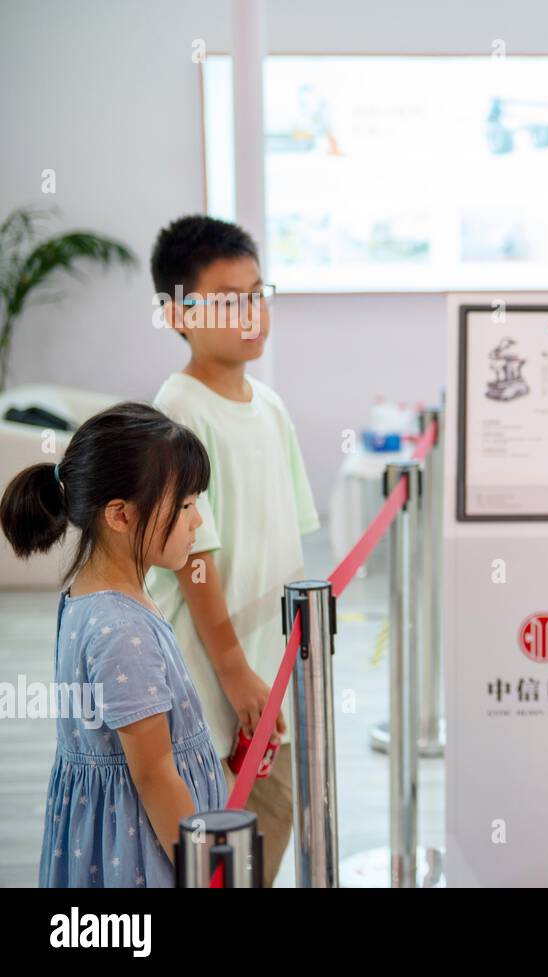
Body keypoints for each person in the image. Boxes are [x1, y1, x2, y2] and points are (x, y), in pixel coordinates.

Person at [147, 215, 319, 886]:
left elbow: (286, 544)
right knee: (216, 832)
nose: (249, 310)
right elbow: (196, 557)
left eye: (256, 291)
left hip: (270, 671)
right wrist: (233, 668)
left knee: (270, 824)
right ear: (174, 313)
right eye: (226, 296)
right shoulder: (179, 407)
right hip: (213, 673)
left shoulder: (270, 407)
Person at [0, 402, 223, 886]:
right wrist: (205, 871)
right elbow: (155, 775)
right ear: (121, 515)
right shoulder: (121, 629)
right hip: (146, 849)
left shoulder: (97, 594)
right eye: (185, 506)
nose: (197, 521)